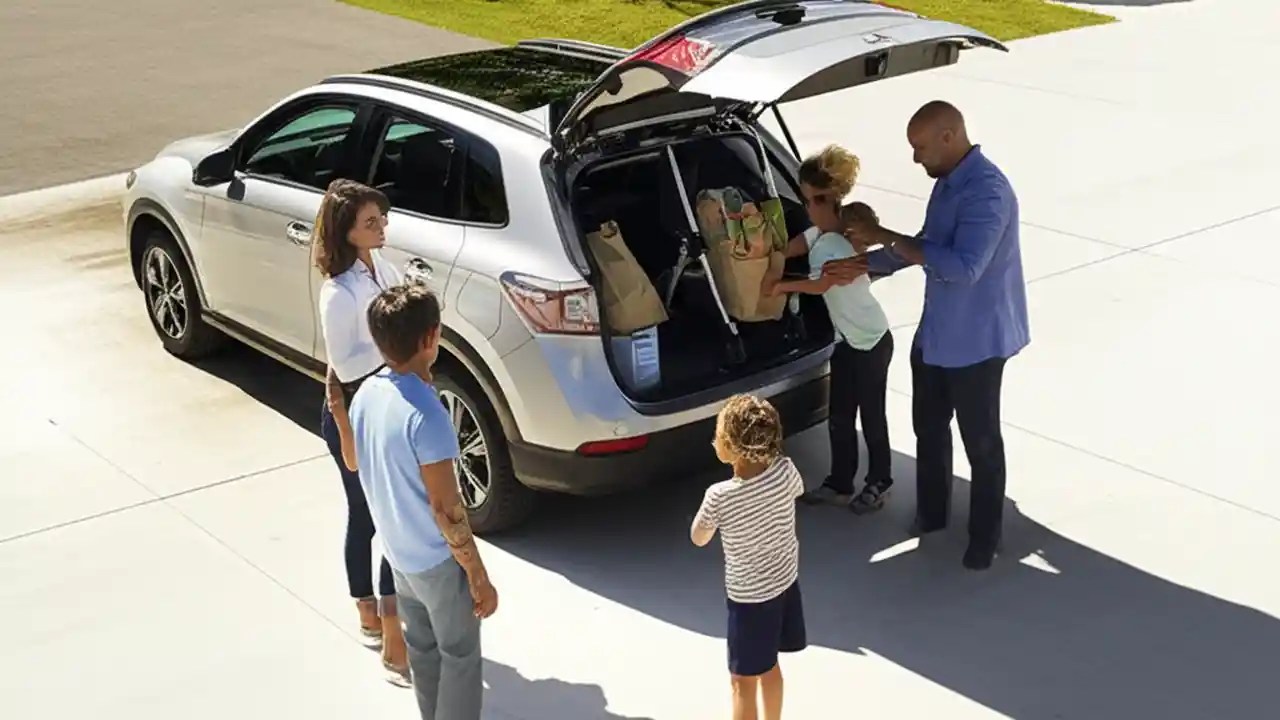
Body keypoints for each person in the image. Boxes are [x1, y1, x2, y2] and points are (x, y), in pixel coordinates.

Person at [828, 100, 1030, 570]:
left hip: (976, 343)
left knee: (981, 442)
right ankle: (932, 514)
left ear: (949, 135)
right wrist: (865, 265)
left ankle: (984, 536)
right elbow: (924, 245)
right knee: (929, 429)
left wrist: (880, 232)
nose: (916, 158)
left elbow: (962, 267)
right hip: (935, 335)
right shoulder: (947, 184)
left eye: (920, 148)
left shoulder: (987, 193)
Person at [348, 283, 498, 720]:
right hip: (436, 562)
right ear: (431, 338)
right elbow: (446, 509)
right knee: (461, 657)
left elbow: (356, 462)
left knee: (425, 652)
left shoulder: (368, 395)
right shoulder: (427, 414)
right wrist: (477, 575)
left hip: (398, 557)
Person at [765, 144, 894, 515]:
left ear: (828, 200)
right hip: (847, 341)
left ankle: (879, 481)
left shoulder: (835, 246)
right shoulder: (818, 234)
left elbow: (820, 285)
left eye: (810, 201)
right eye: (804, 201)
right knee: (840, 414)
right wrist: (764, 253)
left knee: (871, 414)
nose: (806, 209)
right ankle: (840, 481)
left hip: (871, 340)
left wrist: (781, 286)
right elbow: (792, 247)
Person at [312, 178, 408, 676]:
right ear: (347, 232)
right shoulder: (339, 292)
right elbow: (344, 365)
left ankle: (391, 614)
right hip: (352, 414)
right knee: (367, 515)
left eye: (382, 218)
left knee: (388, 515)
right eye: (371, 222)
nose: (381, 227)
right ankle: (368, 606)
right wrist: (395, 342)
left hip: (386, 406)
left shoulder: (383, 268)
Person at [691, 394, 807, 720]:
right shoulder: (786, 470)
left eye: (717, 435)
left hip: (750, 602)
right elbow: (795, 490)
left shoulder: (719, 497)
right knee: (769, 666)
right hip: (785, 586)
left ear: (729, 446)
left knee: (742, 680)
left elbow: (698, 537)